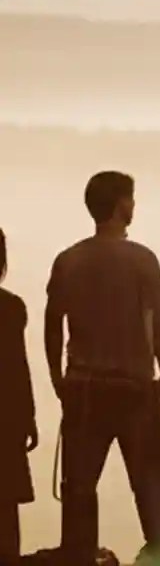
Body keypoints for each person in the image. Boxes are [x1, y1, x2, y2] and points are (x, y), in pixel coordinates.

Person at [44, 172, 160, 565]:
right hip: (134, 385)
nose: (134, 206)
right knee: (151, 481)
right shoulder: (141, 258)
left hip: (84, 386)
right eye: (131, 199)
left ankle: (80, 553)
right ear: (121, 205)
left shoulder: (68, 259)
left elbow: (53, 323)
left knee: (80, 485)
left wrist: (57, 377)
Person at [0, 228, 36, 565]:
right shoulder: (11, 308)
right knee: (5, 499)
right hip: (5, 415)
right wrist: (29, 416)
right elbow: (16, 366)